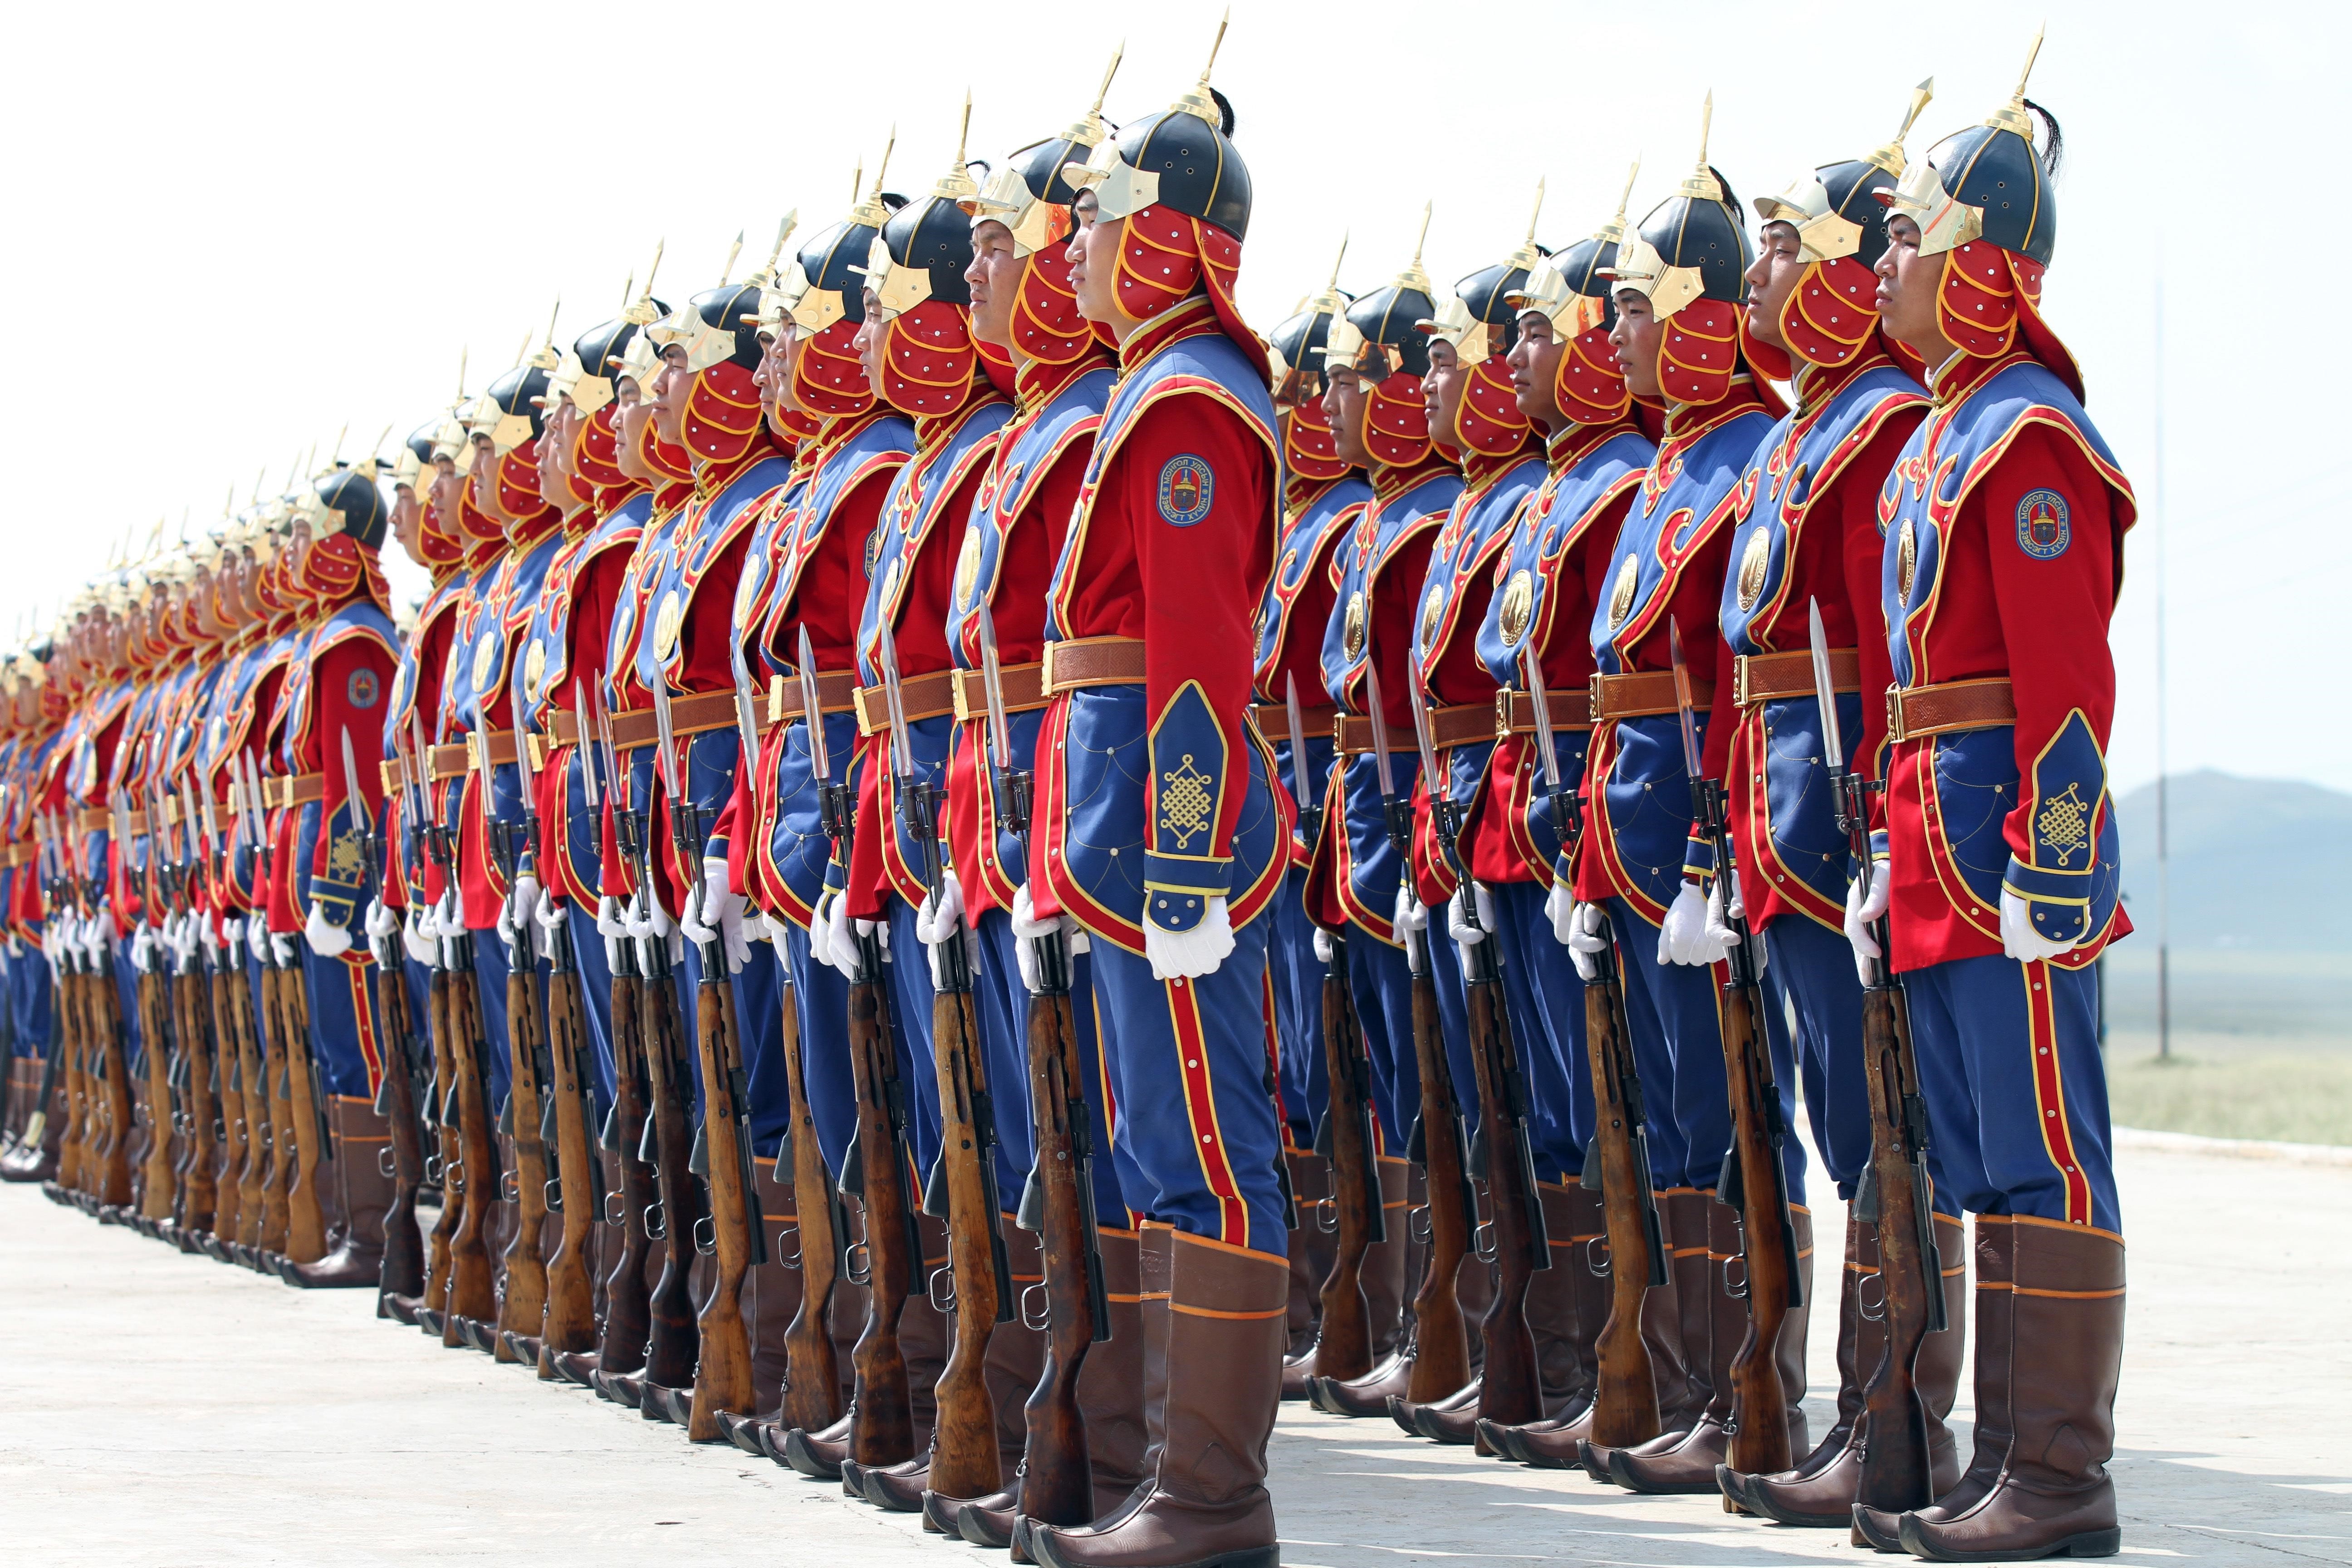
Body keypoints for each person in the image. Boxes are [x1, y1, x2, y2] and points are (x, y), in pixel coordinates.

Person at [1855, 41, 2133, 1560]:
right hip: (1932, 834)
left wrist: (2057, 854)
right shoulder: (1943, 432)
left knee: (2042, 1142)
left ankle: (2059, 1474)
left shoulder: (2027, 437)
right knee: (1975, 1143)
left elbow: (2062, 679)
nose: (1883, 265)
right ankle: (2002, 1461)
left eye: (1910, 238)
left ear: (1979, 266)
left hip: (2003, 846)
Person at [1023, 40, 1292, 1568]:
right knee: (1155, 1146)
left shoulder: (1188, 400)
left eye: (1104, 219)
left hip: (1162, 836)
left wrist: (1184, 850)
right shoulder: (1152, 390)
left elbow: (1193, 642)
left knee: (1205, 1141)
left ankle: (1211, 1496)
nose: (1077, 247)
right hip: (1120, 828)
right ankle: (1168, 1480)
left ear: (1176, 234)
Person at [1710, 87, 1970, 1526]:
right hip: (1786, 823)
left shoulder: (1873, 425)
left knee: (1883, 1131)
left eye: (1781, 255)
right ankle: (1861, 1417)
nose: (1762, 285)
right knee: (1835, 1122)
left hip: (1846, 824)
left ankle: (1896, 1425)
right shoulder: (1816, 427)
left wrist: (1878, 825)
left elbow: (1883, 646)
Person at [1562, 102, 1803, 1491]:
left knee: (1731, 1121)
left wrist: (1716, 829)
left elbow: (1734, 669)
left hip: (1699, 835)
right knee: (1664, 1117)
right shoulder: (1671, 466)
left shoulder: (1736, 461)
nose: (1620, 336)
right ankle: (1706, 1386)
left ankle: (1750, 1391)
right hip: (1633, 828)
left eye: (1643, 308)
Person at [1300, 221, 1463, 1419]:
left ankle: (1459, 1328)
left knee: (1439, 1087)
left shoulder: (1414, 519)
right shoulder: (1361, 524)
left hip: (1412, 823)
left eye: (1358, 379)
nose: (1332, 402)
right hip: (1349, 829)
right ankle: (1384, 1313)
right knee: (1361, 1086)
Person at [1254, 265, 1365, 1395]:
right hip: (1317, 809)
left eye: (1336, 385)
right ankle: (1329, 1305)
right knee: (1308, 1060)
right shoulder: (1303, 524)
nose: (1312, 412)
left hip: (1352, 801)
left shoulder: (1361, 524)